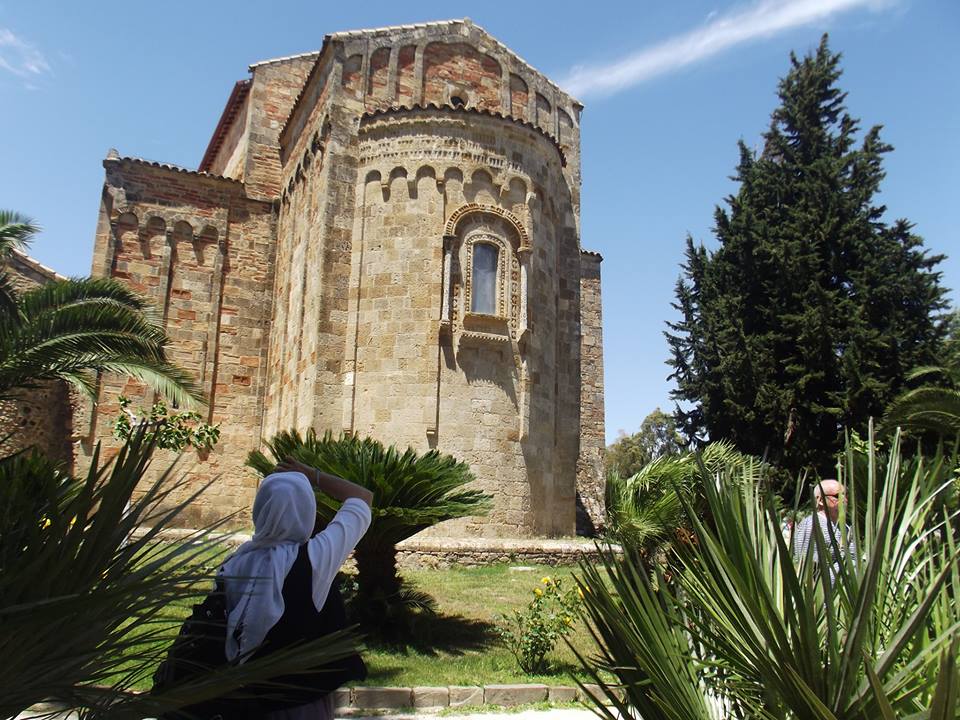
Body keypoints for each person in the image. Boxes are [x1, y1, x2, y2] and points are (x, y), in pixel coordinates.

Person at [219, 457, 373, 720]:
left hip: (242, 701)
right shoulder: (315, 561)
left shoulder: (233, 564)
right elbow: (362, 498)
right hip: (301, 704)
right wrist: (311, 474)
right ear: (306, 509)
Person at [790, 478, 856, 581]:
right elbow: (809, 570)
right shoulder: (812, 525)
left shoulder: (845, 528)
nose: (845, 500)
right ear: (820, 500)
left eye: (845, 495)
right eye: (837, 496)